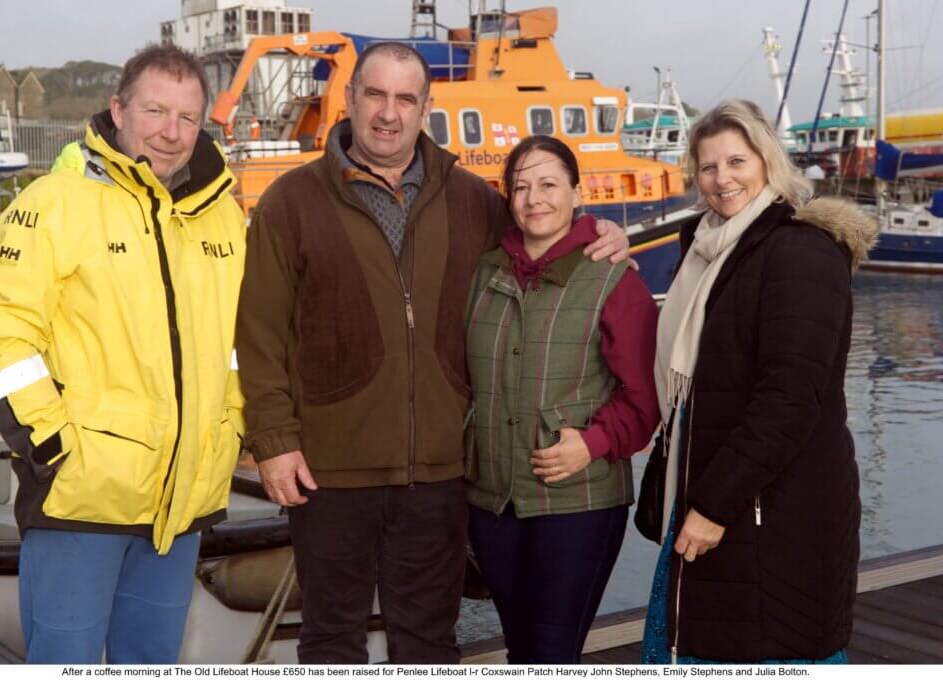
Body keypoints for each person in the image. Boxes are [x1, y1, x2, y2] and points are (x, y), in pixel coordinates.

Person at [235, 42, 630, 664]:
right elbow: (258, 334)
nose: (388, 113)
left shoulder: (472, 199)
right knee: (330, 640)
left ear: (426, 108)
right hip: (329, 473)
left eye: (405, 98)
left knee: (427, 644)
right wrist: (275, 441)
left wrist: (601, 232)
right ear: (351, 98)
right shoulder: (291, 202)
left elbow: (544, 232)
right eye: (375, 94)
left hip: (442, 474)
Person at [0, 44, 246, 664]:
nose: (171, 133)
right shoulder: (55, 203)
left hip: (182, 505)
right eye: (155, 111)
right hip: (80, 501)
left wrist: (230, 427)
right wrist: (51, 447)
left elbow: (237, 348)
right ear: (118, 110)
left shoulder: (224, 219)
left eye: (188, 117)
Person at [640, 100, 877, 664]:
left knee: (772, 644)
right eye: (708, 166)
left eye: (737, 162)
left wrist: (714, 506)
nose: (723, 179)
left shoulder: (799, 250)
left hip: (770, 507)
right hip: (717, 489)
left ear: (768, 161)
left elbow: (791, 398)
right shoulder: (713, 251)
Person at [464, 135, 660, 663]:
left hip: (578, 503)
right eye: (521, 186)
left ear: (578, 193)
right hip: (494, 504)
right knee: (520, 649)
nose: (535, 198)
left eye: (549, 183)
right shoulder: (484, 273)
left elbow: (646, 398)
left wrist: (593, 443)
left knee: (553, 652)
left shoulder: (614, 278)